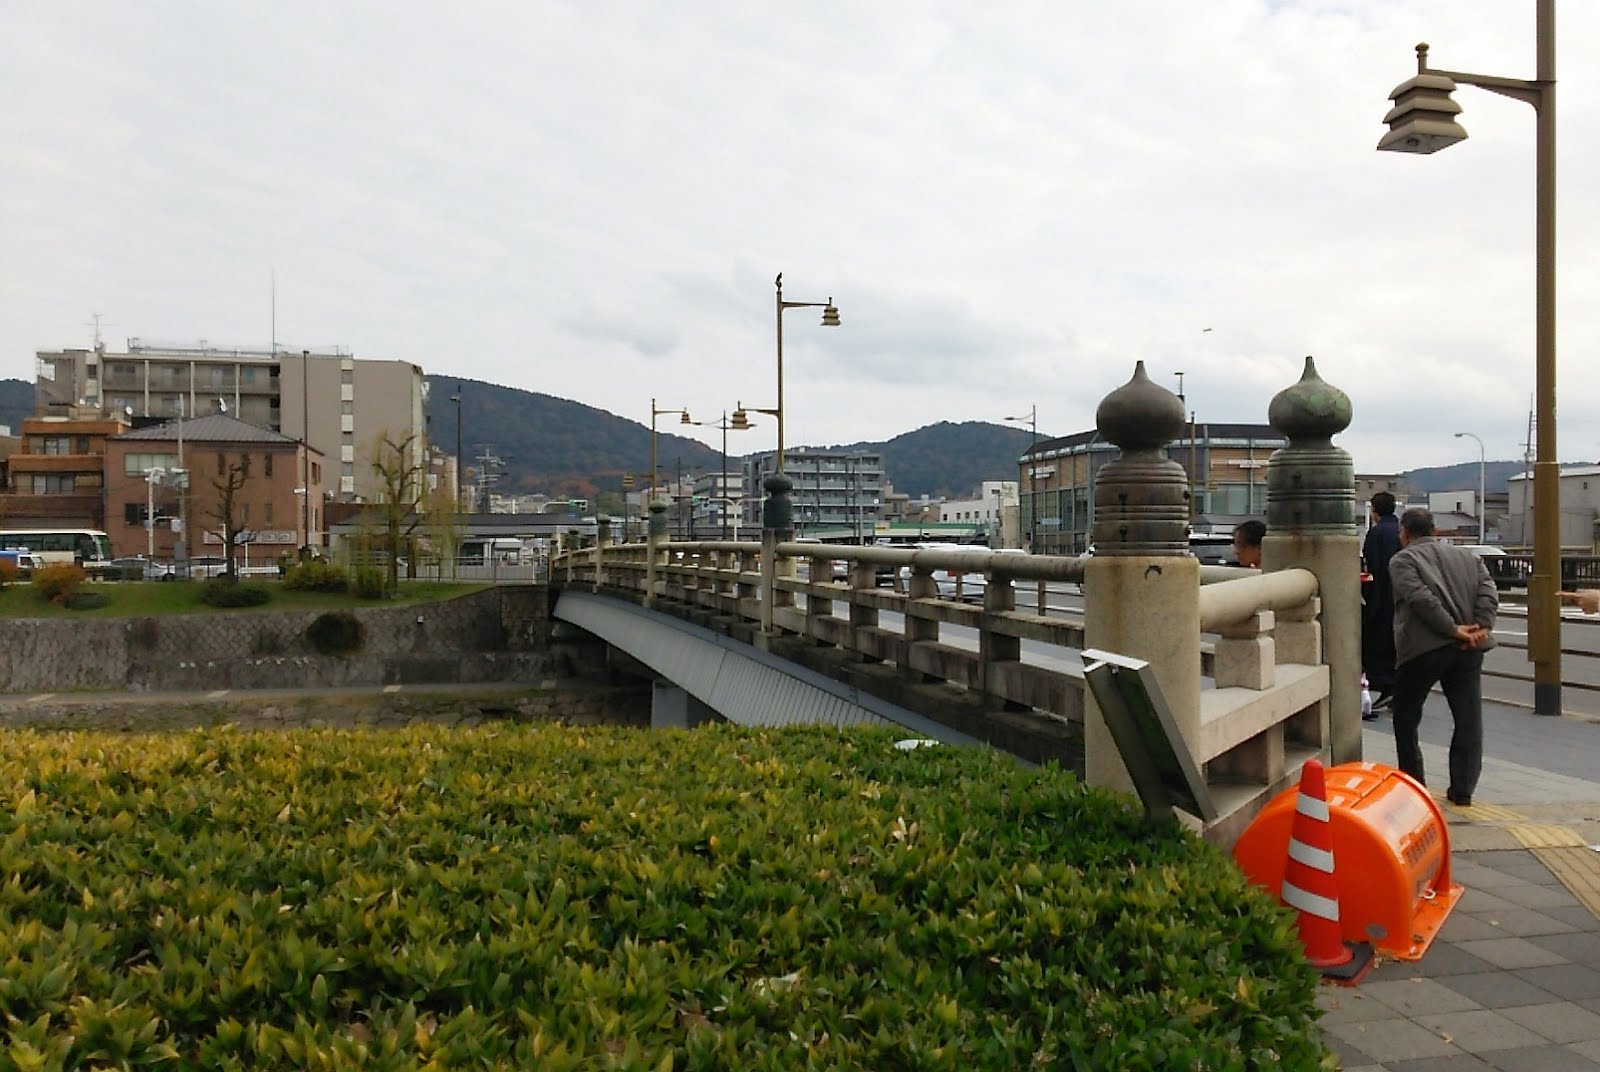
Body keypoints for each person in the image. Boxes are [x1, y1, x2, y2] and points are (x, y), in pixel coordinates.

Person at [1388, 507, 1498, 806]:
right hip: (1468, 650)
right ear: (1434, 531)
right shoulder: (1470, 559)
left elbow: (1420, 598)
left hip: (1423, 649)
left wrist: (1452, 630)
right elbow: (1489, 593)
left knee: (1406, 717)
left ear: (1405, 533)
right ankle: (1462, 789)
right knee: (1468, 719)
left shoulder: (1402, 560)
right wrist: (1479, 629)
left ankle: (1414, 785)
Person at [1361, 492, 1402, 715]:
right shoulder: (1401, 530)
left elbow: (1371, 569)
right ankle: (1398, 689)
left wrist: (1369, 598)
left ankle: (1387, 687)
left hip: (1382, 597)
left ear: (1375, 510)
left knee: (1378, 644)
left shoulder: (1376, 534)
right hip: (1403, 596)